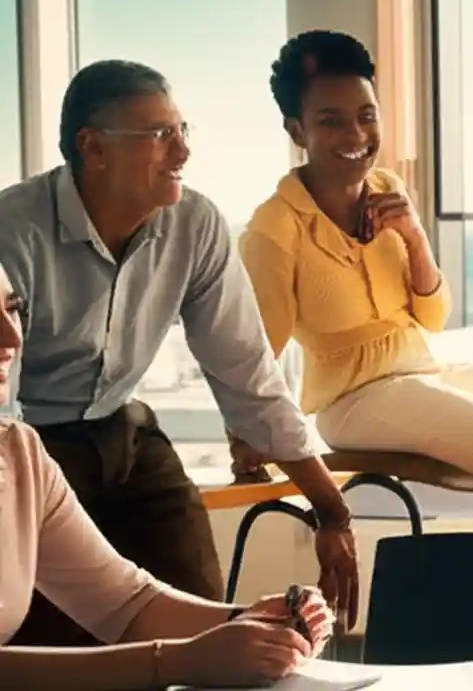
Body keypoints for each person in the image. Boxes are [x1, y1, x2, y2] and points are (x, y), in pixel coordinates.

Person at [0, 59, 359, 645]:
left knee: (205, 617)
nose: (183, 153)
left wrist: (330, 509)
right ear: (93, 149)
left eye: (183, 131)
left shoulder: (195, 225)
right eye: (160, 135)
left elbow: (248, 377)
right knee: (55, 640)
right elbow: (1, 409)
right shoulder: (12, 231)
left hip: (125, 432)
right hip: (33, 447)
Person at [238, 30, 473, 539]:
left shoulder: (388, 189)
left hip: (426, 370)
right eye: (331, 121)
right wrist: (245, 440)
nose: (356, 135)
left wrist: (413, 235)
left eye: (367, 116)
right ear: (297, 131)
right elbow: (257, 351)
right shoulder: (275, 228)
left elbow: (433, 316)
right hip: (353, 400)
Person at [0, 260, 336, 689]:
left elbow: (124, 602)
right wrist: (176, 662)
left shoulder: (20, 453)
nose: (11, 338)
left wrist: (253, 620)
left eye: (13, 310)